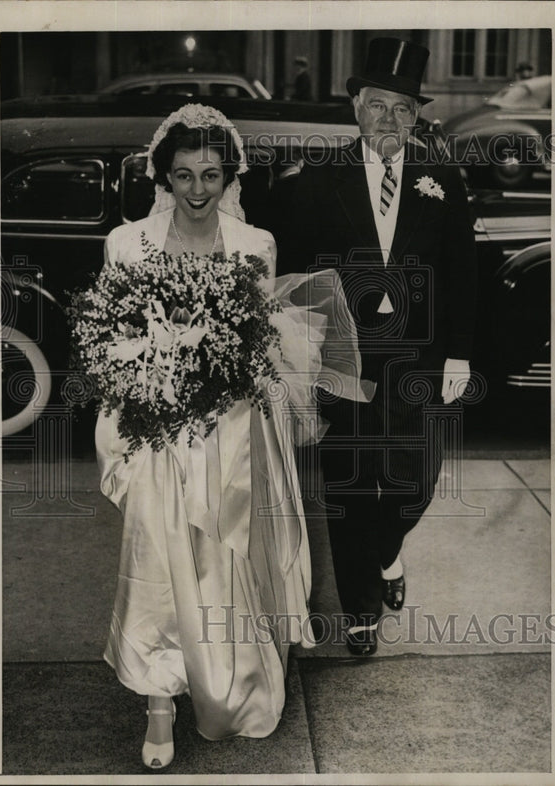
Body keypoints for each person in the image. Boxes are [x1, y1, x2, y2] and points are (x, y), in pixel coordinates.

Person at [95, 105, 317, 769]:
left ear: (230, 177)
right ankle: (160, 698)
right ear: (162, 175)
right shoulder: (126, 243)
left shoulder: (257, 245)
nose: (198, 189)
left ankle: (229, 681)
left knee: (223, 565)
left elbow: (268, 342)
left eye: (212, 175)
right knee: (159, 564)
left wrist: (239, 376)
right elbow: (111, 343)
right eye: (185, 174)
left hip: (232, 434)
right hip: (158, 435)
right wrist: (152, 385)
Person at [282, 38, 477, 656]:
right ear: (355, 108)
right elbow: (294, 274)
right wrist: (305, 352)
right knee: (346, 484)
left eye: (402, 109)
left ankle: (389, 551)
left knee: (415, 480)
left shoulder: (440, 179)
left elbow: (462, 272)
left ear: (416, 117)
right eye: (377, 106)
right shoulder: (318, 181)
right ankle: (362, 608)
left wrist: (460, 353)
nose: (389, 121)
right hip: (346, 361)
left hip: (420, 358)